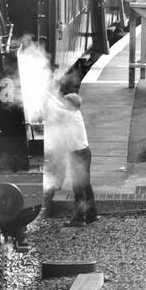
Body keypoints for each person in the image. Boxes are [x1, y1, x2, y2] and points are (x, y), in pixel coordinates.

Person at [60, 93, 98, 226]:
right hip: (84, 152)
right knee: (86, 186)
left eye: (65, 102)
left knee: (78, 187)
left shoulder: (70, 115)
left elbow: (55, 109)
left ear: (71, 105)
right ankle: (92, 215)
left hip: (78, 155)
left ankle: (79, 219)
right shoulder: (75, 113)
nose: (63, 104)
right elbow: (58, 107)